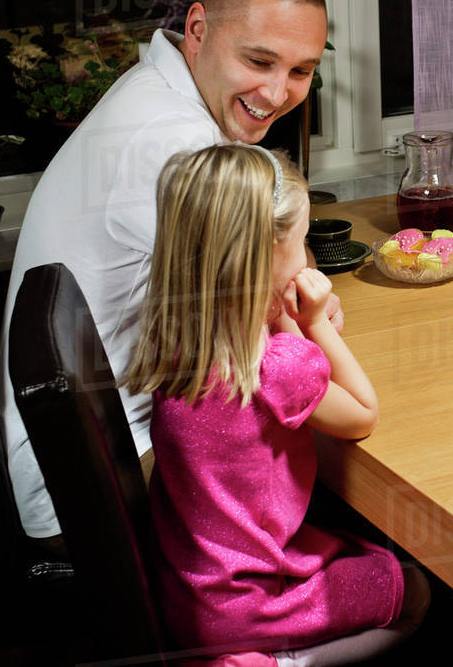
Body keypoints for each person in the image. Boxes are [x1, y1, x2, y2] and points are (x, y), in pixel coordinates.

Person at [0, 0, 341, 542]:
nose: (278, 92)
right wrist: (302, 295)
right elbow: (290, 301)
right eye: (258, 60)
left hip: (91, 446)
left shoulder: (163, 89)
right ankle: (260, 618)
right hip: (98, 481)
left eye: (301, 71)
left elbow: (277, 273)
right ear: (198, 30)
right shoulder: (174, 140)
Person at [123, 144, 428, 661]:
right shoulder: (275, 368)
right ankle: (283, 659)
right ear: (267, 250)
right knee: (414, 586)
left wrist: (280, 310)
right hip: (249, 604)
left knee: (353, 544)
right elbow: (361, 412)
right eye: (302, 239)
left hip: (186, 594)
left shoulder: (178, 344)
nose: (306, 254)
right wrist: (310, 324)